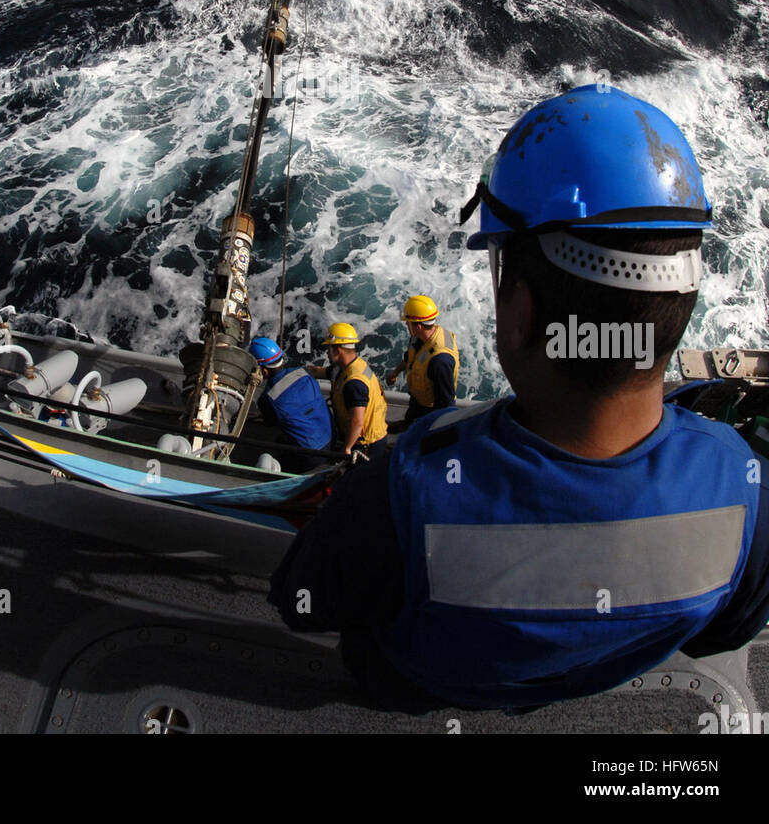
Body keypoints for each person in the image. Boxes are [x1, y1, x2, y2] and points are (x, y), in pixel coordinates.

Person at [269, 86, 769, 711]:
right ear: (681, 300)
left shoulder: (400, 492)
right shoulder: (748, 493)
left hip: (418, 688)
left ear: (524, 311)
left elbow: (299, 601)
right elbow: (727, 625)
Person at [250, 336, 332, 470]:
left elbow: (270, 423)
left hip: (311, 457)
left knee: (269, 455)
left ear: (264, 371)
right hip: (331, 441)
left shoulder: (267, 398)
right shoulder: (303, 373)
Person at [309, 323, 388, 458]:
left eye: (329, 348)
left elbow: (357, 421)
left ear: (338, 351)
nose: (327, 353)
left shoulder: (354, 383)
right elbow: (320, 372)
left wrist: (347, 448)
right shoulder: (348, 366)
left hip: (365, 445)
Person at [385, 295, 459, 427]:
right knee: (410, 422)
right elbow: (411, 357)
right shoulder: (419, 336)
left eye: (407, 322)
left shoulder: (440, 361)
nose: (406, 324)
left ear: (418, 326)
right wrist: (396, 372)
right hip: (418, 401)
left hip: (430, 410)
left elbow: (445, 403)